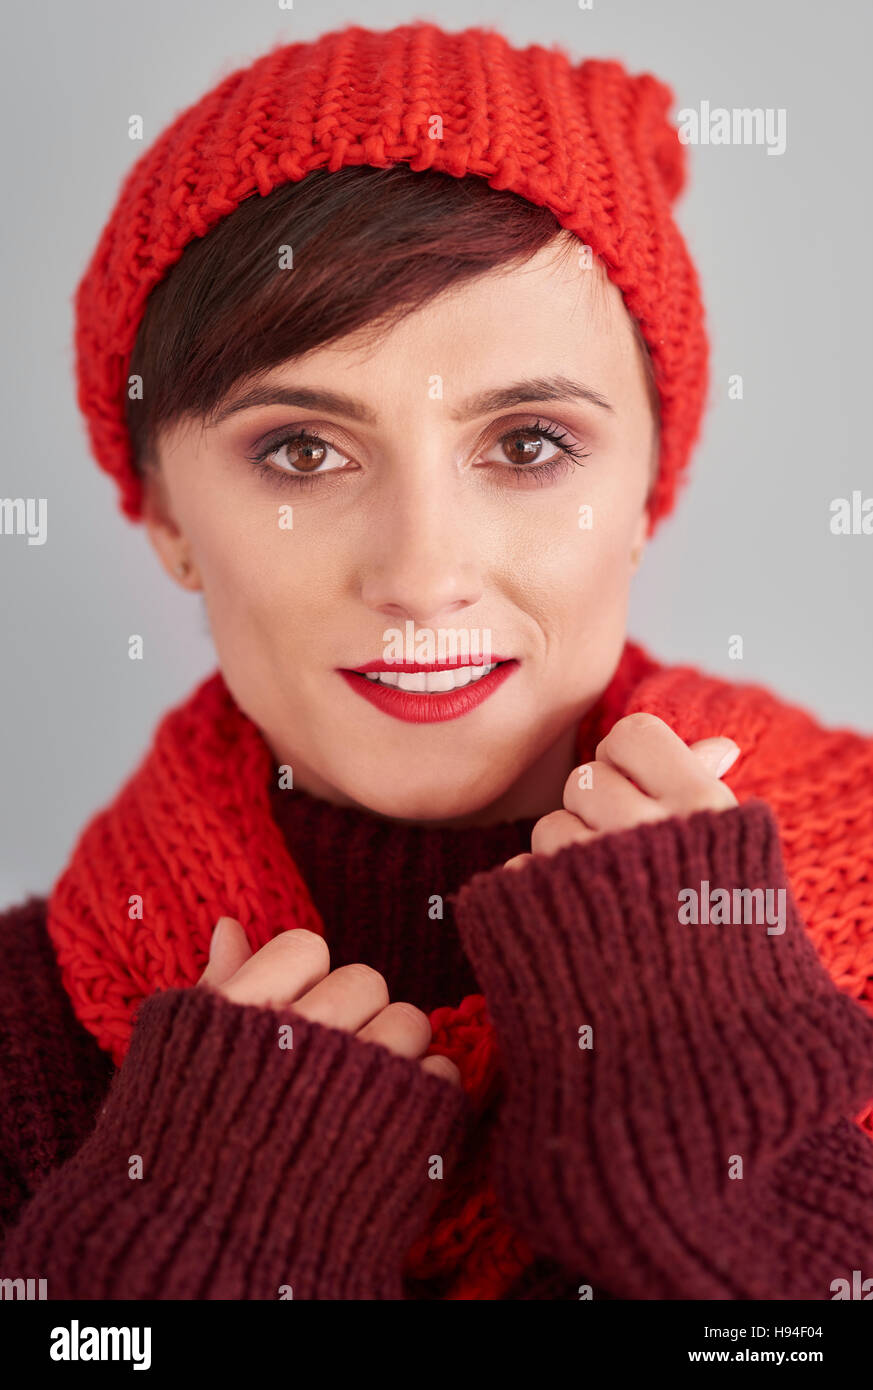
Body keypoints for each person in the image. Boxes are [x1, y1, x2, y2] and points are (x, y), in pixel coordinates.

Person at [2, 20, 872, 1301]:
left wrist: (727, 1170)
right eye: (300, 449)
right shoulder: (25, 1028)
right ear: (169, 519)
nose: (421, 572)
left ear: (647, 490)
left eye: (527, 444)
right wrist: (175, 1262)